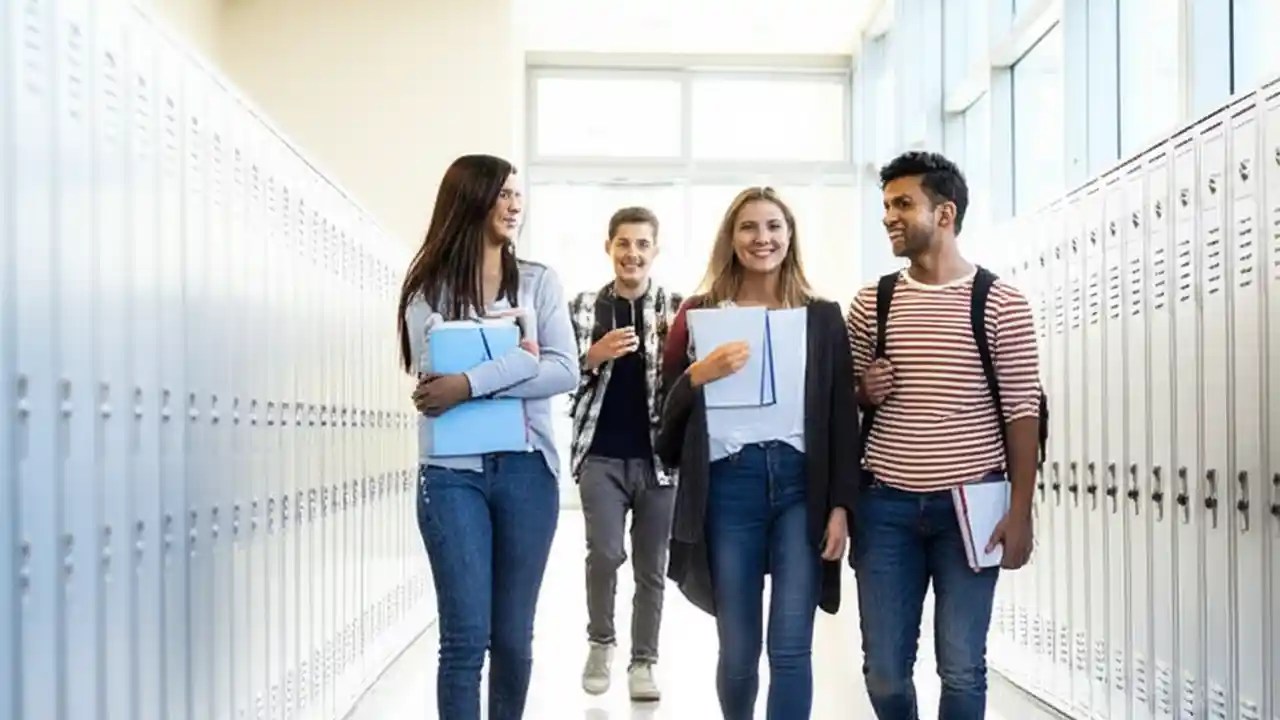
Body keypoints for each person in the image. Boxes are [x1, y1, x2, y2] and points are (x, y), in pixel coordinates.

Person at [845, 151, 1041, 720]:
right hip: (885, 508)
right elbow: (845, 405)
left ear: (945, 213)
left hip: (972, 508)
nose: (889, 217)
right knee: (883, 670)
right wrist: (865, 392)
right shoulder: (871, 304)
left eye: (903, 204)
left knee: (961, 666)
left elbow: (1023, 413)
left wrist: (1020, 511)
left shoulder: (1001, 303)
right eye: (885, 206)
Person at [656, 186, 859, 720]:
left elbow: (842, 417)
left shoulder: (822, 317)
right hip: (729, 486)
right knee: (740, 650)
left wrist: (841, 506)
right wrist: (699, 375)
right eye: (749, 227)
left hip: (801, 488)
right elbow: (665, 421)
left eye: (773, 226)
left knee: (791, 646)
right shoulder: (697, 314)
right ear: (731, 238)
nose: (761, 238)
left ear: (790, 237)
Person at [396, 154, 577, 720]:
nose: (515, 205)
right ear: (469, 200)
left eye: (518, 195)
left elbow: (564, 370)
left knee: (513, 637)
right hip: (452, 477)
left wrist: (473, 382)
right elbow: (432, 389)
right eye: (502, 194)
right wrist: (518, 362)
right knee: (465, 637)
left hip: (528, 472)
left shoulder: (541, 282)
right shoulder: (427, 290)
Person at [567, 207, 683, 701]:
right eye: (623, 243)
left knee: (650, 566)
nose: (632, 253)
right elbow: (561, 376)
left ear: (655, 250)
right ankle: (600, 642)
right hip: (601, 456)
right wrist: (594, 356)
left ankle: (644, 661)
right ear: (609, 246)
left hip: (659, 460)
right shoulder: (582, 308)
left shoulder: (678, 309)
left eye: (642, 244)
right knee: (605, 554)